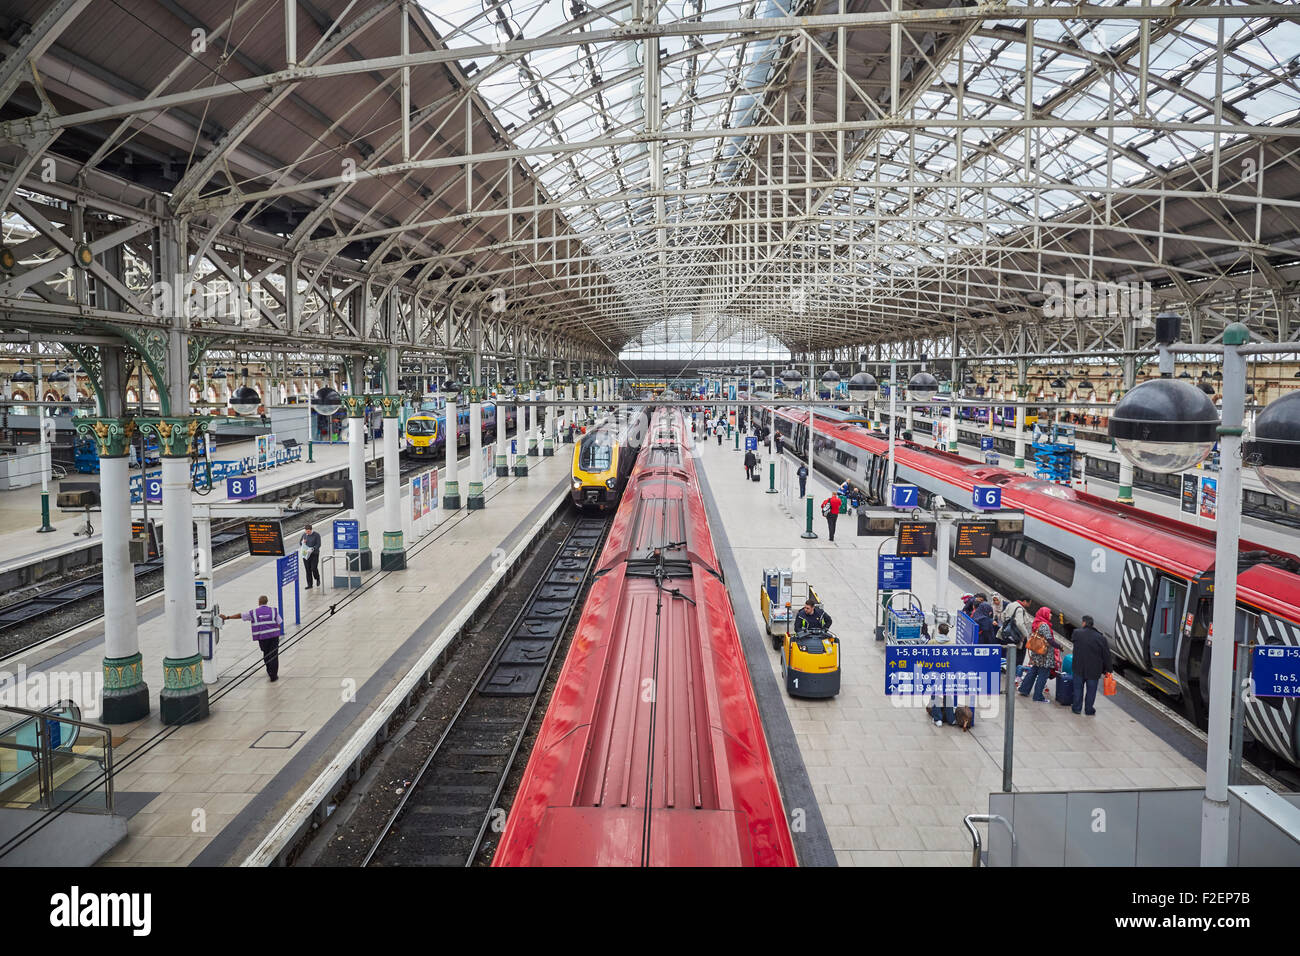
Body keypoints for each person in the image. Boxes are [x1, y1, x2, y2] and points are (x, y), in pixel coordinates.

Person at [221, 596, 283, 682]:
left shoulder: (253, 613)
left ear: (259, 602)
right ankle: (274, 675)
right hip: (274, 637)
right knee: (274, 655)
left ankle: (270, 671)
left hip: (262, 638)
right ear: (267, 602)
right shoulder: (273, 611)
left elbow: (240, 615)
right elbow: (279, 623)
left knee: (266, 654)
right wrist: (277, 632)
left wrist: (227, 617)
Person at [1068, 614, 1114, 716]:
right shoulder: (1101, 638)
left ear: (1084, 623)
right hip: (1094, 670)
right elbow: (1106, 655)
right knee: (1091, 691)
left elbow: (1074, 641)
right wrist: (1109, 670)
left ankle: (1076, 708)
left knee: (1078, 689)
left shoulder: (1077, 633)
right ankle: (1089, 710)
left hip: (1078, 668)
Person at [1017, 606, 1060, 702]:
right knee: (1043, 675)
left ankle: (1024, 689)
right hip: (1044, 655)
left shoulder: (1037, 622)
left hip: (1037, 652)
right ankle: (1038, 696)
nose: (1051, 615)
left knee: (1033, 671)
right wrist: (1059, 646)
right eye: (1049, 613)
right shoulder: (1044, 625)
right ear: (1045, 614)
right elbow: (1049, 640)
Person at [1000, 597, 1033, 666]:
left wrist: (1007, 626)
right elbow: (1019, 623)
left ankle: (1006, 667)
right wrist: (1026, 635)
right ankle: (1015, 670)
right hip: (1017, 635)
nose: (1029, 605)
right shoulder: (1020, 609)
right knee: (1020, 653)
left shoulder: (1011, 604)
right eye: (1029, 603)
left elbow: (1002, 616)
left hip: (1007, 633)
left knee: (1008, 651)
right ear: (1024, 601)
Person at [300, 524, 322, 590]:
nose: (307, 533)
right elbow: (300, 543)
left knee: (313, 568)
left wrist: (313, 548)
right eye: (306, 531)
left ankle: (317, 578)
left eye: (309, 531)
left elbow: (318, 544)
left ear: (311, 530)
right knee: (308, 570)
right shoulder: (304, 535)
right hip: (306, 554)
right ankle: (309, 584)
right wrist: (302, 542)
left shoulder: (316, 535)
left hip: (314, 554)